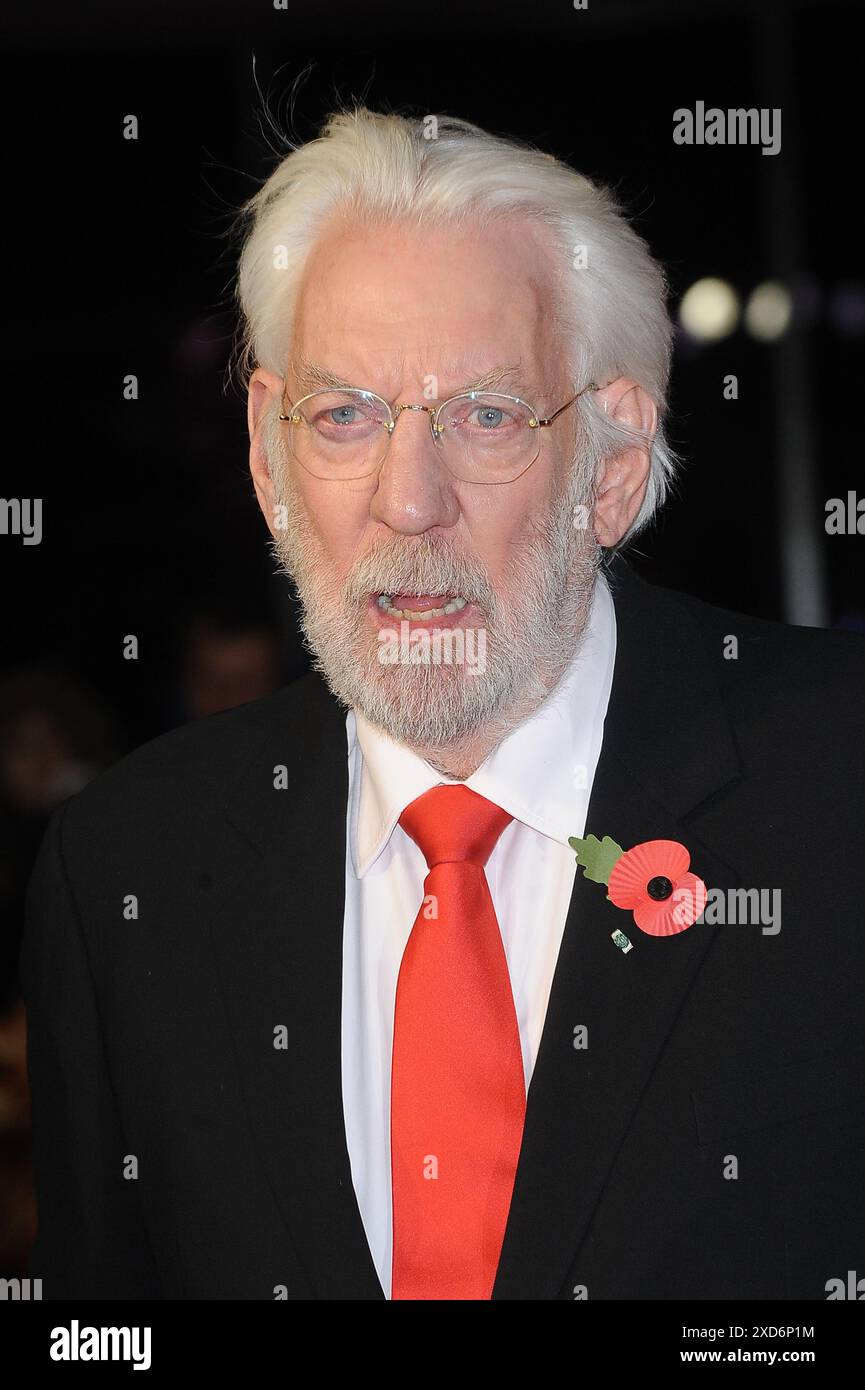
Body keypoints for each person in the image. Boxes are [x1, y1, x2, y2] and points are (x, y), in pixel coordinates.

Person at [20, 107, 865, 1301]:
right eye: (345, 415)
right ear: (269, 459)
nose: (405, 502)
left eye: (485, 417)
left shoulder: (839, 792)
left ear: (611, 469)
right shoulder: (127, 868)